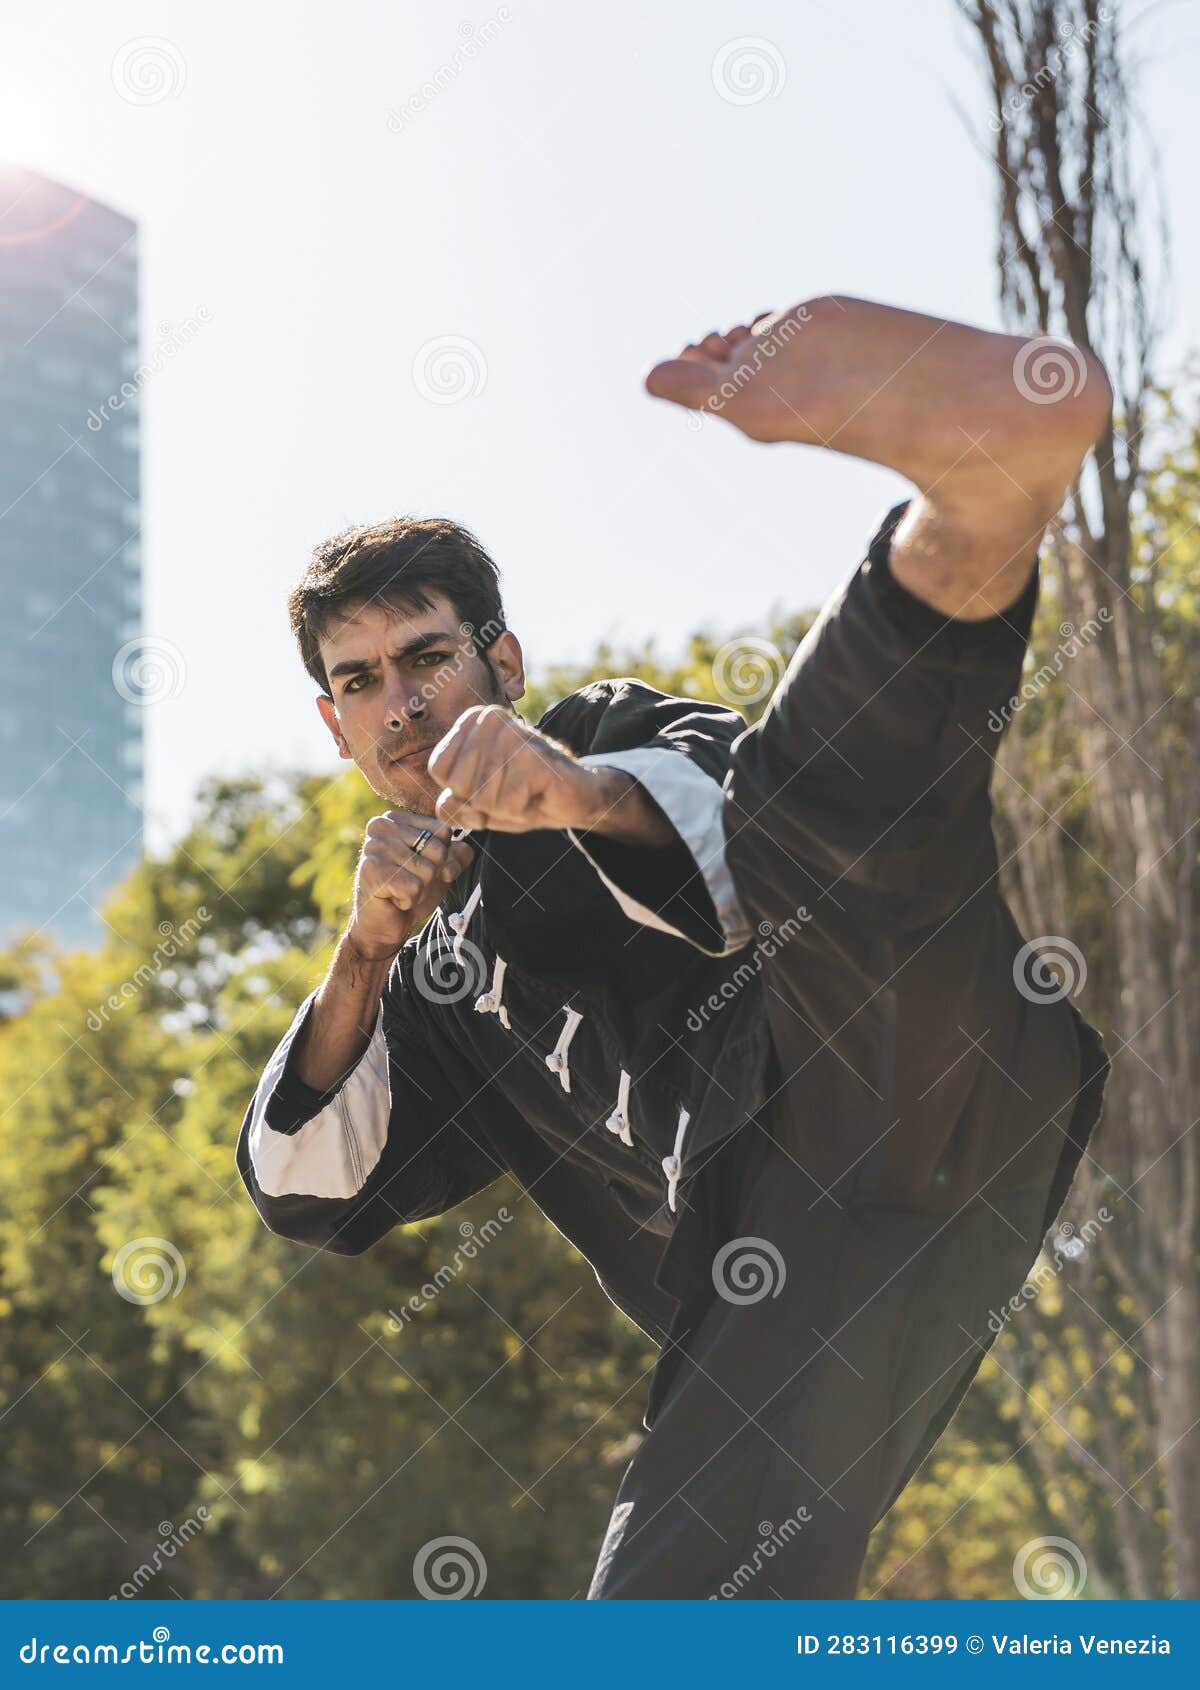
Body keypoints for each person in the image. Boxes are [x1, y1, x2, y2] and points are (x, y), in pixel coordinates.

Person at [236, 295, 1113, 1598]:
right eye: (361, 680)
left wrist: (575, 795)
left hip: (874, 1053)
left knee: (815, 814)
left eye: (427, 656)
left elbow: (756, 842)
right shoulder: (420, 986)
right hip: (782, 1298)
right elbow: (301, 1186)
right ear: (332, 724)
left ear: (504, 660)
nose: (404, 701)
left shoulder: (594, 729)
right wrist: (358, 959)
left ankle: (979, 493)